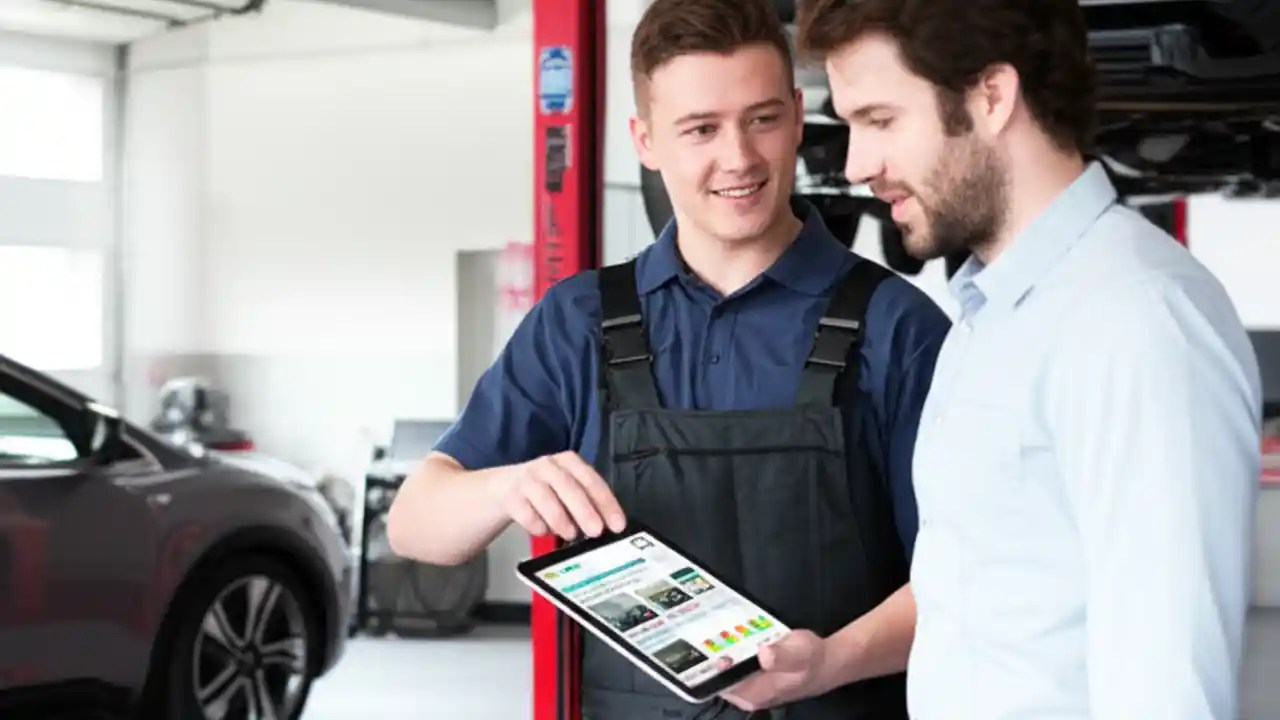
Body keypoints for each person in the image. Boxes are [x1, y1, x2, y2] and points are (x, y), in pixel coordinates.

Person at [387, 0, 951, 717]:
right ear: (646, 141)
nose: (739, 157)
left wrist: (830, 663)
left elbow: (965, 579)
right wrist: (507, 486)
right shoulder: (577, 323)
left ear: (797, 117)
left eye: (762, 119)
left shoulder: (899, 329)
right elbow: (415, 524)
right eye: (701, 129)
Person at [795, 1, 1265, 718]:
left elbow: (1168, 687)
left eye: (881, 120)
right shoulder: (989, 312)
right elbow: (983, 588)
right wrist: (830, 661)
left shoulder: (1136, 319)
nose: (857, 165)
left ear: (991, 97)